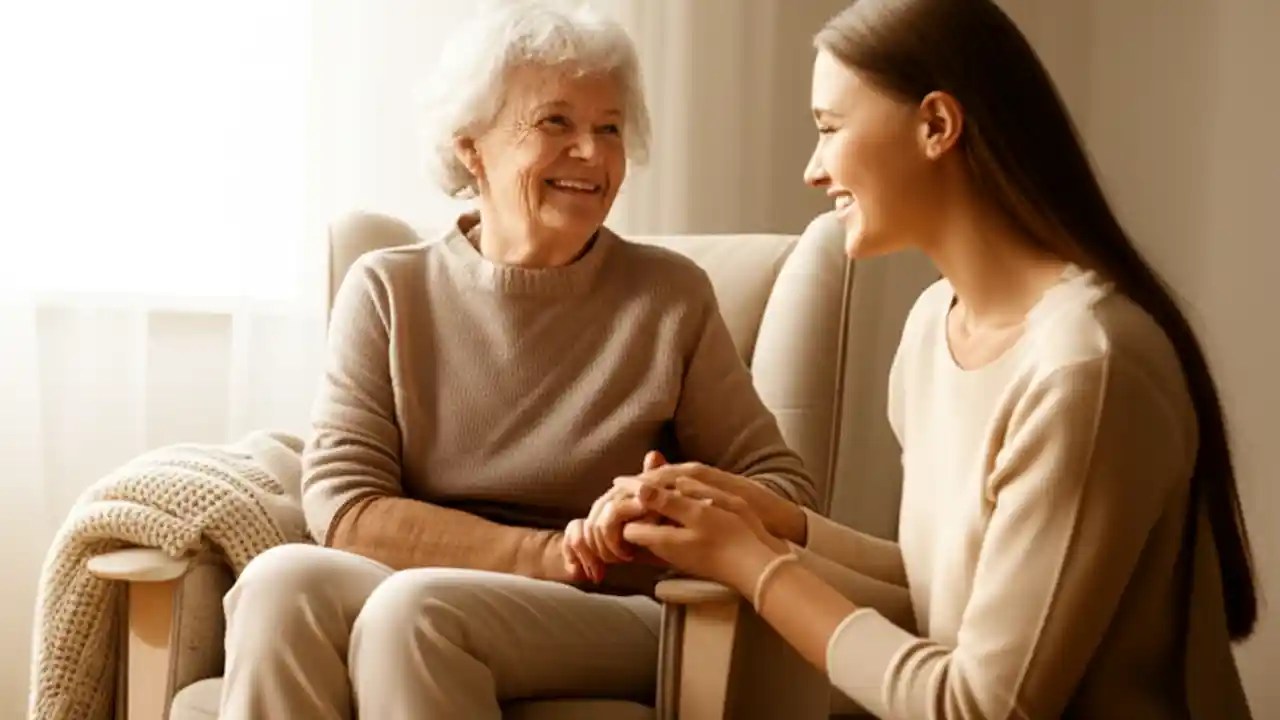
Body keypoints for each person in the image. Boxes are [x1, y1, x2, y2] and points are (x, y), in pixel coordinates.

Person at [582, 1, 1259, 718]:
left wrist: (753, 564)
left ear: (937, 125)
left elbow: (977, 706)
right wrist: (761, 517)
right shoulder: (935, 324)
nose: (814, 169)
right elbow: (941, 591)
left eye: (829, 128)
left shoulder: (1086, 369)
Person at [217, 3, 816, 718]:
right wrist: (552, 551)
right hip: (450, 581)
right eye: (556, 122)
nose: (592, 154)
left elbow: (785, 491)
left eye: (610, 128)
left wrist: (664, 501)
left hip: (618, 606)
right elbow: (346, 509)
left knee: (413, 611)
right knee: (278, 581)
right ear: (472, 147)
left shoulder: (668, 296)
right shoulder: (389, 289)